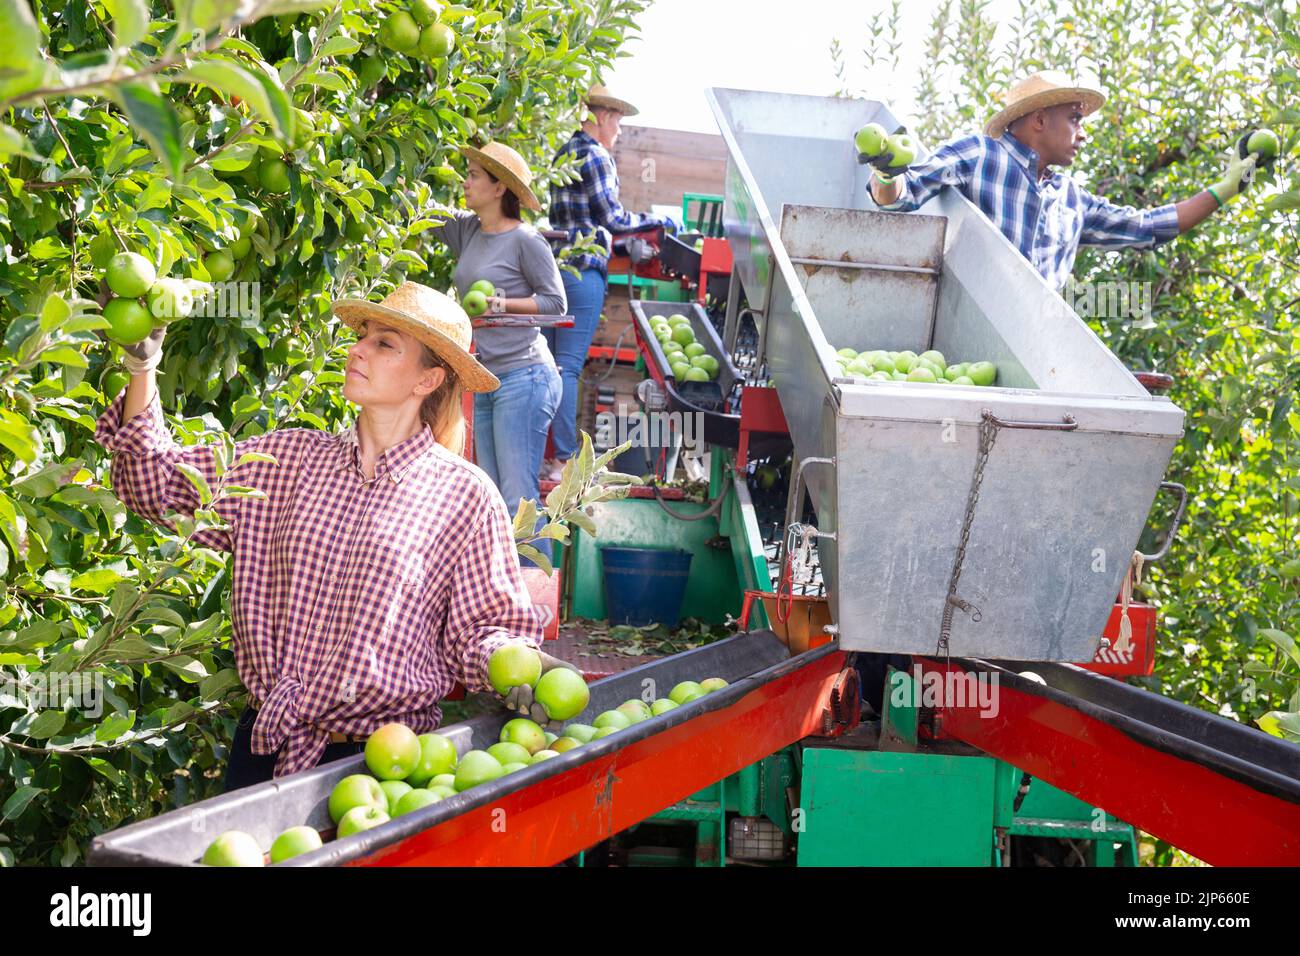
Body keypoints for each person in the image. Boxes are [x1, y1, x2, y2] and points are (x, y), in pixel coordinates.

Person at [95, 282, 571, 790]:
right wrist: (143, 367)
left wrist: (512, 663)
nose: (358, 348)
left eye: (384, 343)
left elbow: (482, 627)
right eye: (363, 335)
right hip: (265, 749)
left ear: (427, 379)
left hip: (382, 765)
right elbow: (158, 486)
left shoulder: (463, 496)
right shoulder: (288, 460)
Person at [861, 70, 1268, 291]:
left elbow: (1148, 228)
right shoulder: (980, 154)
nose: (1083, 131)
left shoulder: (1072, 200)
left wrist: (1229, 186)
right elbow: (900, 196)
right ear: (1039, 120)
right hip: (969, 333)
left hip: (1038, 348)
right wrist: (887, 171)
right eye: (1075, 118)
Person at [428, 141, 566, 557]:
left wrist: (500, 304)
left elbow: (556, 305)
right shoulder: (467, 230)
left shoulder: (526, 241)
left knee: (517, 500)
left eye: (473, 175)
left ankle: (530, 606)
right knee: (488, 494)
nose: (465, 181)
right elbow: (418, 211)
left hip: (525, 378)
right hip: (486, 377)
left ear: (498, 188)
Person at [542, 85, 677, 483]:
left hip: (556, 268)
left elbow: (568, 217)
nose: (618, 130)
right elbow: (613, 219)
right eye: (617, 119)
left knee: (549, 366)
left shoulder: (564, 154)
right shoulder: (597, 155)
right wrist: (660, 223)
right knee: (567, 366)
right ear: (600, 116)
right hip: (584, 270)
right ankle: (565, 459)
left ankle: (545, 456)